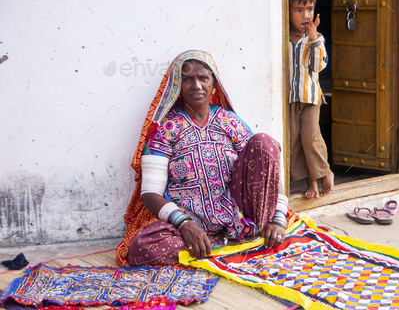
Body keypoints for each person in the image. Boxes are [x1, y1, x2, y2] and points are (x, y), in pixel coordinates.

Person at [116, 50, 294, 267]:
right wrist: (185, 225)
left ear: (213, 84)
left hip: (239, 216)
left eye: (203, 78)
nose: (197, 85)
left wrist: (278, 220)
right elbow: (150, 193)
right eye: (188, 79)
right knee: (143, 248)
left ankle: (248, 231)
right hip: (188, 220)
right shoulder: (166, 129)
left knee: (264, 142)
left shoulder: (229, 121)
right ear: (177, 86)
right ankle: (218, 242)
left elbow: (269, 172)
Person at [288, 0, 334, 199]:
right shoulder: (283, 38)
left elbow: (319, 66)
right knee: (295, 139)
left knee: (310, 137)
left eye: (309, 9)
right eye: (299, 10)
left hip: (311, 97)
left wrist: (314, 39)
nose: (305, 15)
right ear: (287, 11)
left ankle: (323, 173)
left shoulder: (316, 39)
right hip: (290, 98)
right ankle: (309, 181)